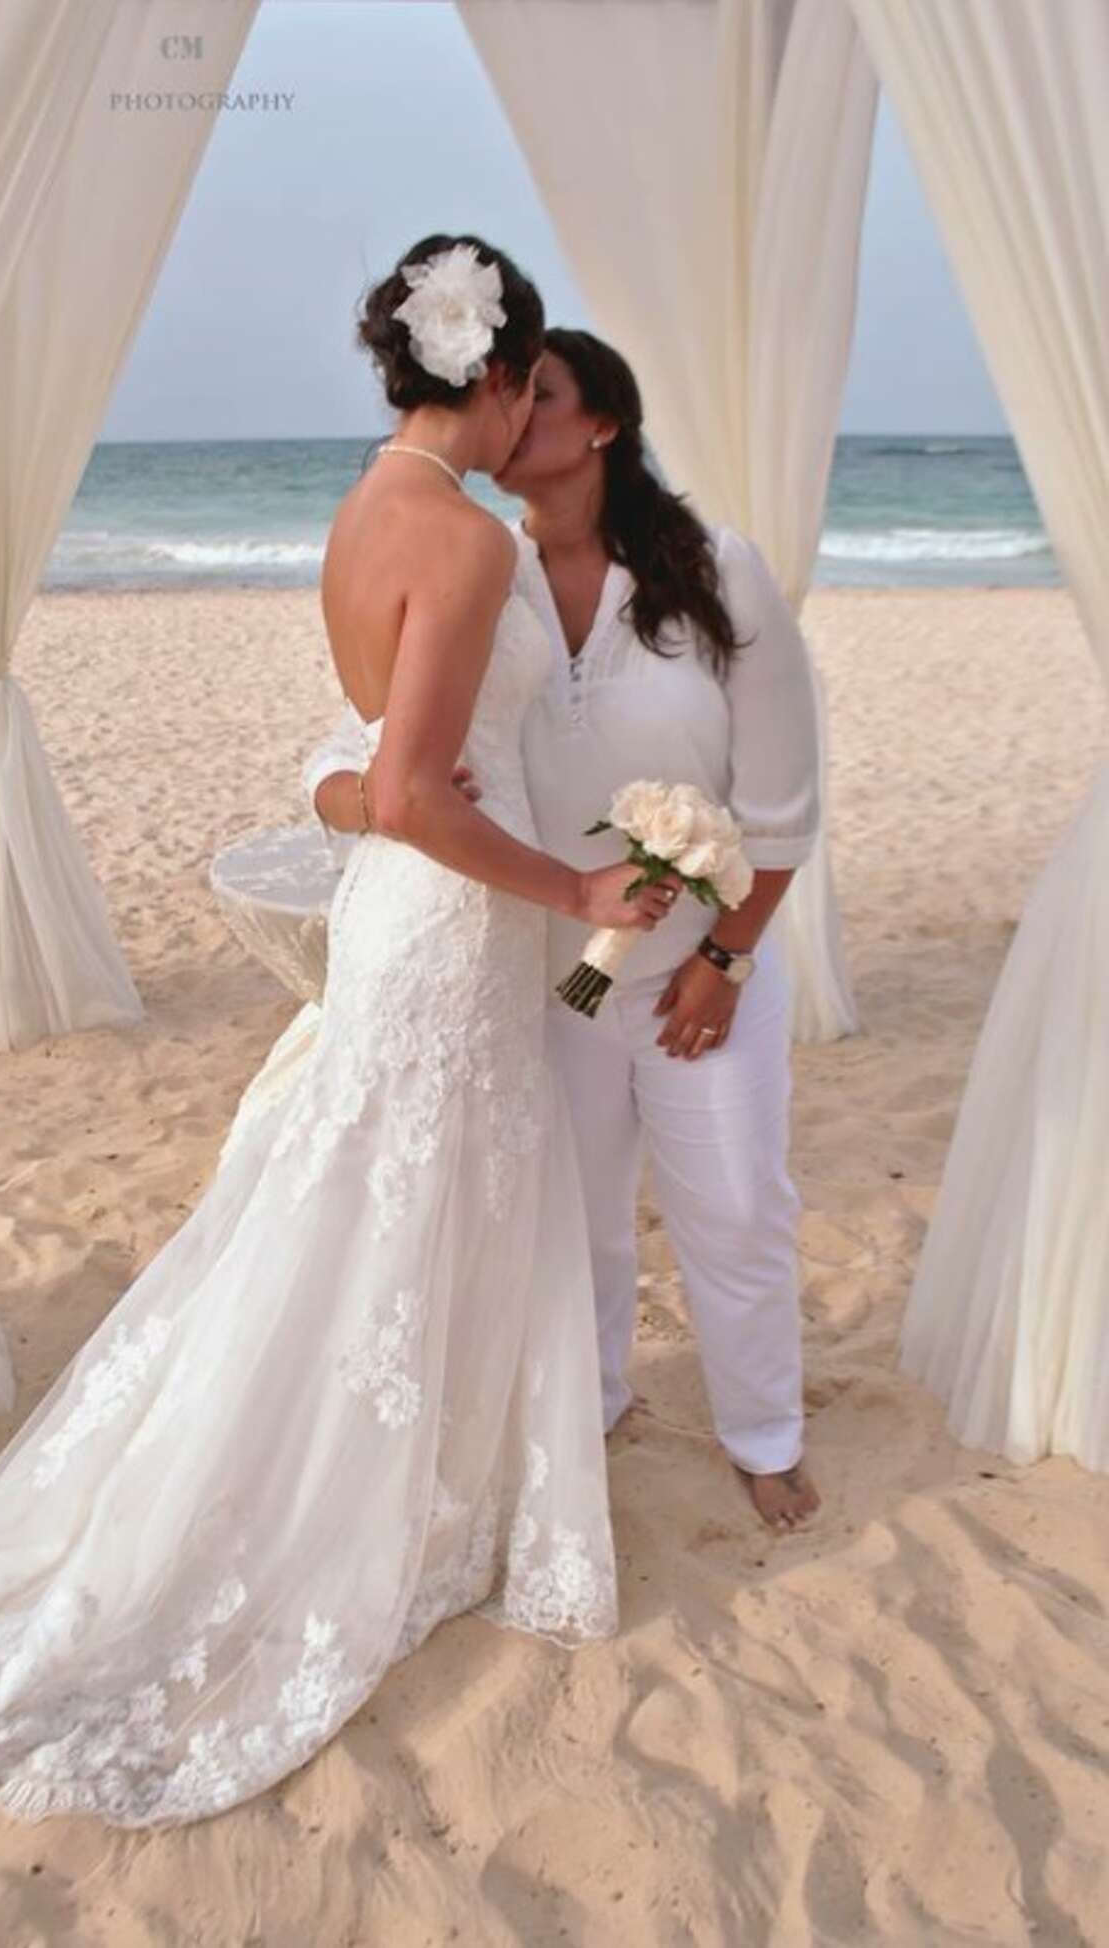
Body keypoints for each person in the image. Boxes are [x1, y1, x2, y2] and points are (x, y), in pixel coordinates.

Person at [0, 236, 678, 1829]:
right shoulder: (464, 547)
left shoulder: (366, 509)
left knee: (396, 1200)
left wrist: (433, 807)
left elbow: (373, 758)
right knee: (393, 1206)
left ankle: (438, 1485)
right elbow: (404, 791)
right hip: (452, 926)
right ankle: (365, 1511)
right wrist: (572, 877)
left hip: (422, 925)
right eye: (531, 383)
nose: (536, 406)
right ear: (499, 374)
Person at [307, 328, 822, 1530]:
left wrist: (727, 958)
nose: (506, 408)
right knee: (574, 1212)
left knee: (738, 1201)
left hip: (708, 966)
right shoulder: (483, 567)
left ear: (601, 425)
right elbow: (348, 755)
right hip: (551, 975)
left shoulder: (720, 571)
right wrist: (383, 802)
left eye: (538, 393)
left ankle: (764, 1432)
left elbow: (785, 801)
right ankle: (589, 1406)